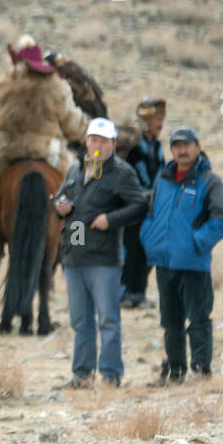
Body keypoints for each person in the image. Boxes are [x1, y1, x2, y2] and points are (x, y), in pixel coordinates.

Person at [53, 118, 149, 388]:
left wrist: (111, 218)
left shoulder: (122, 172)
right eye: (93, 139)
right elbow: (62, 201)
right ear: (86, 141)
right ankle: (81, 376)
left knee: (108, 319)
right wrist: (59, 207)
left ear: (113, 144)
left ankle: (110, 376)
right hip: (73, 256)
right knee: (80, 321)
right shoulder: (74, 169)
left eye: (104, 141)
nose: (97, 145)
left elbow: (140, 205)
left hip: (103, 259)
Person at [0, 34, 89, 235]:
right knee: (72, 196)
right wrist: (87, 132)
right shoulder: (57, 87)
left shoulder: (3, 84)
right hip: (49, 153)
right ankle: (70, 240)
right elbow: (72, 124)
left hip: (5, 152)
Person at [140, 126, 223, 384]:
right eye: (177, 145)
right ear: (171, 150)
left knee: (198, 319)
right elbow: (150, 214)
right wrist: (149, 238)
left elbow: (222, 221)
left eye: (187, 145)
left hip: (194, 264)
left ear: (197, 147)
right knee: (170, 322)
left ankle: (202, 371)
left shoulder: (210, 182)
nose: (182, 150)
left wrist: (196, 243)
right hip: (164, 263)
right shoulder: (164, 180)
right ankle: (175, 371)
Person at [120, 97, 165, 309]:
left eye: (162, 118)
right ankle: (125, 293)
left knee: (147, 249)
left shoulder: (156, 146)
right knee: (131, 249)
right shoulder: (136, 147)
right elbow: (133, 175)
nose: (161, 123)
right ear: (146, 120)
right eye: (157, 118)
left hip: (150, 206)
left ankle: (138, 292)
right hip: (132, 206)